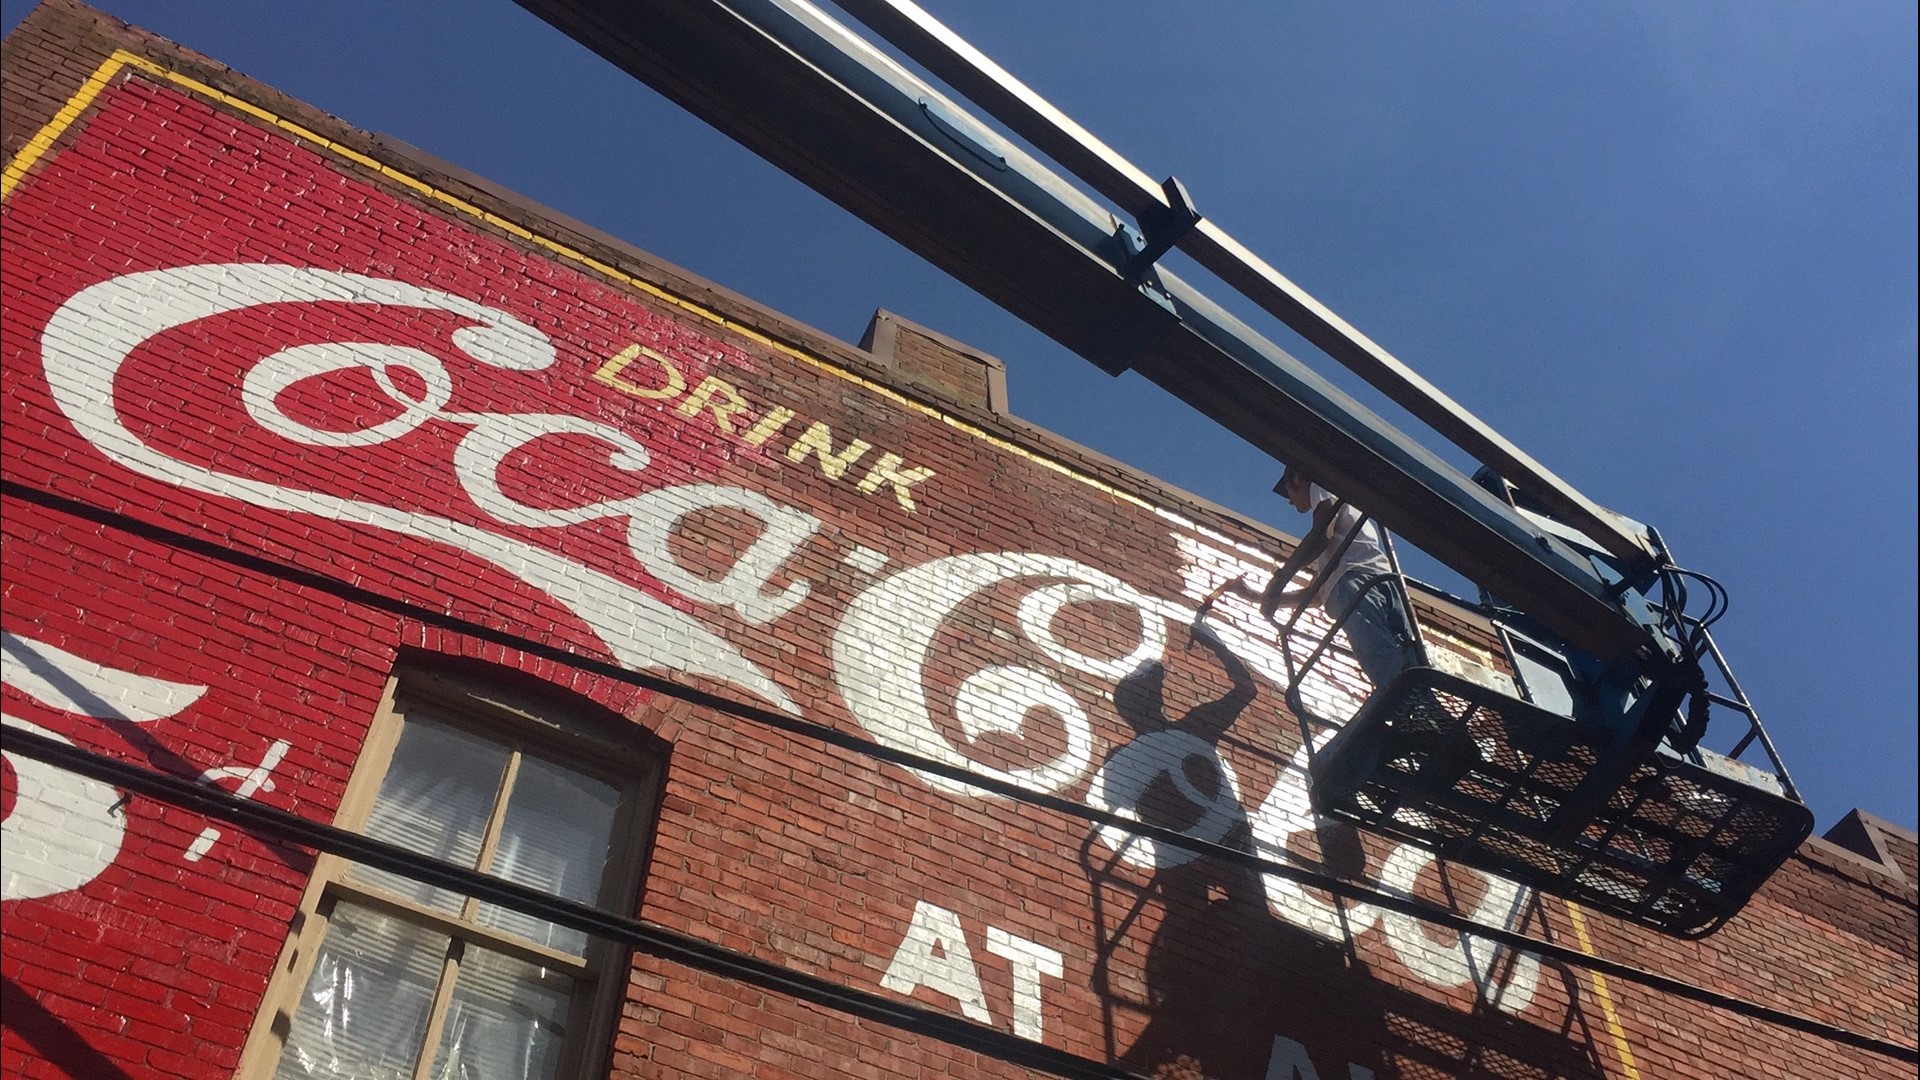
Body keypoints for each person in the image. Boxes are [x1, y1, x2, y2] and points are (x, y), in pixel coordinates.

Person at [1204, 466, 1414, 692]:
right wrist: (1257, 596)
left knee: (1379, 659)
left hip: (1356, 586)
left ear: (1297, 477)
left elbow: (1320, 537)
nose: (1290, 502)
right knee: (1410, 660)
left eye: (1288, 492)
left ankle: (1410, 710)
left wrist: (1279, 580)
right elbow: (1315, 595)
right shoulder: (1349, 525)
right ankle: (1425, 710)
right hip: (1387, 585)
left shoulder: (1321, 488)